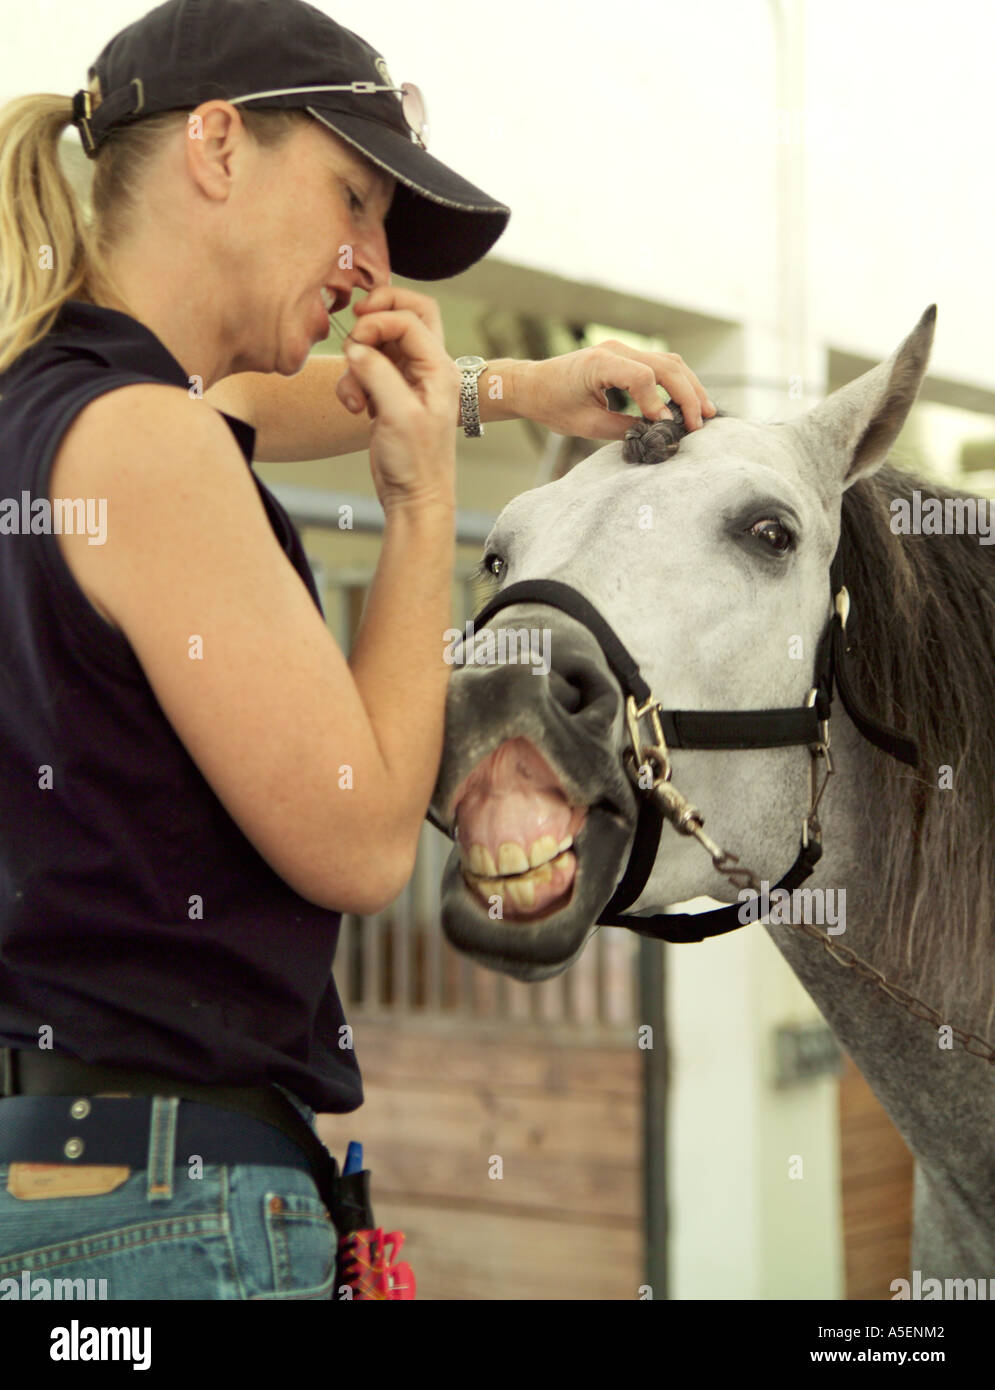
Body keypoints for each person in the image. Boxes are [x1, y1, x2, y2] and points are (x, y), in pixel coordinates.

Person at [0, 0, 715, 1300]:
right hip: (166, 1213)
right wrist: (422, 504)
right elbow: (367, 838)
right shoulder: (151, 449)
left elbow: (240, 407)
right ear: (218, 146)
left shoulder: (49, 406)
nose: (375, 265)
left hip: (65, 1187)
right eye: (354, 199)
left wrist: (507, 388)